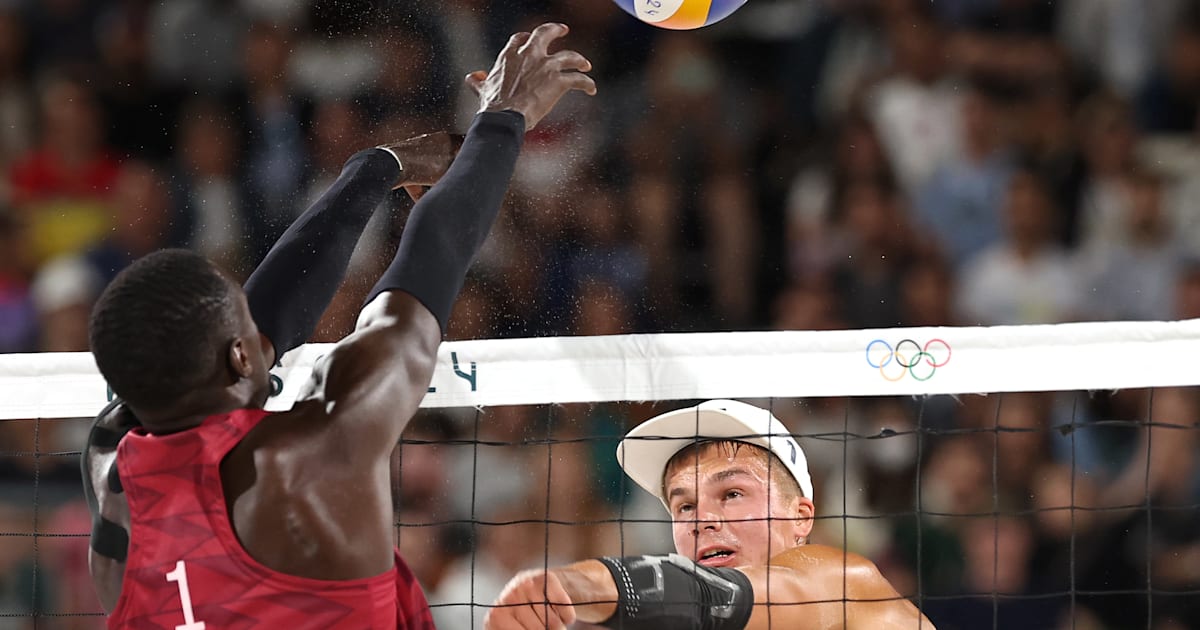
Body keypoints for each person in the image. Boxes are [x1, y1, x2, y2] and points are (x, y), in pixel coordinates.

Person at [80, 23, 595, 628]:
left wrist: (376, 168)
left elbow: (257, 324)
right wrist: (504, 117)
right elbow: (431, 261)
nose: (263, 328)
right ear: (241, 357)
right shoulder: (313, 454)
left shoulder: (113, 471)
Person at [484, 399, 934, 629]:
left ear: (800, 517)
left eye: (732, 493)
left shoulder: (843, 586)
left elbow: (706, 595)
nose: (702, 520)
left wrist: (569, 585)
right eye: (684, 505)